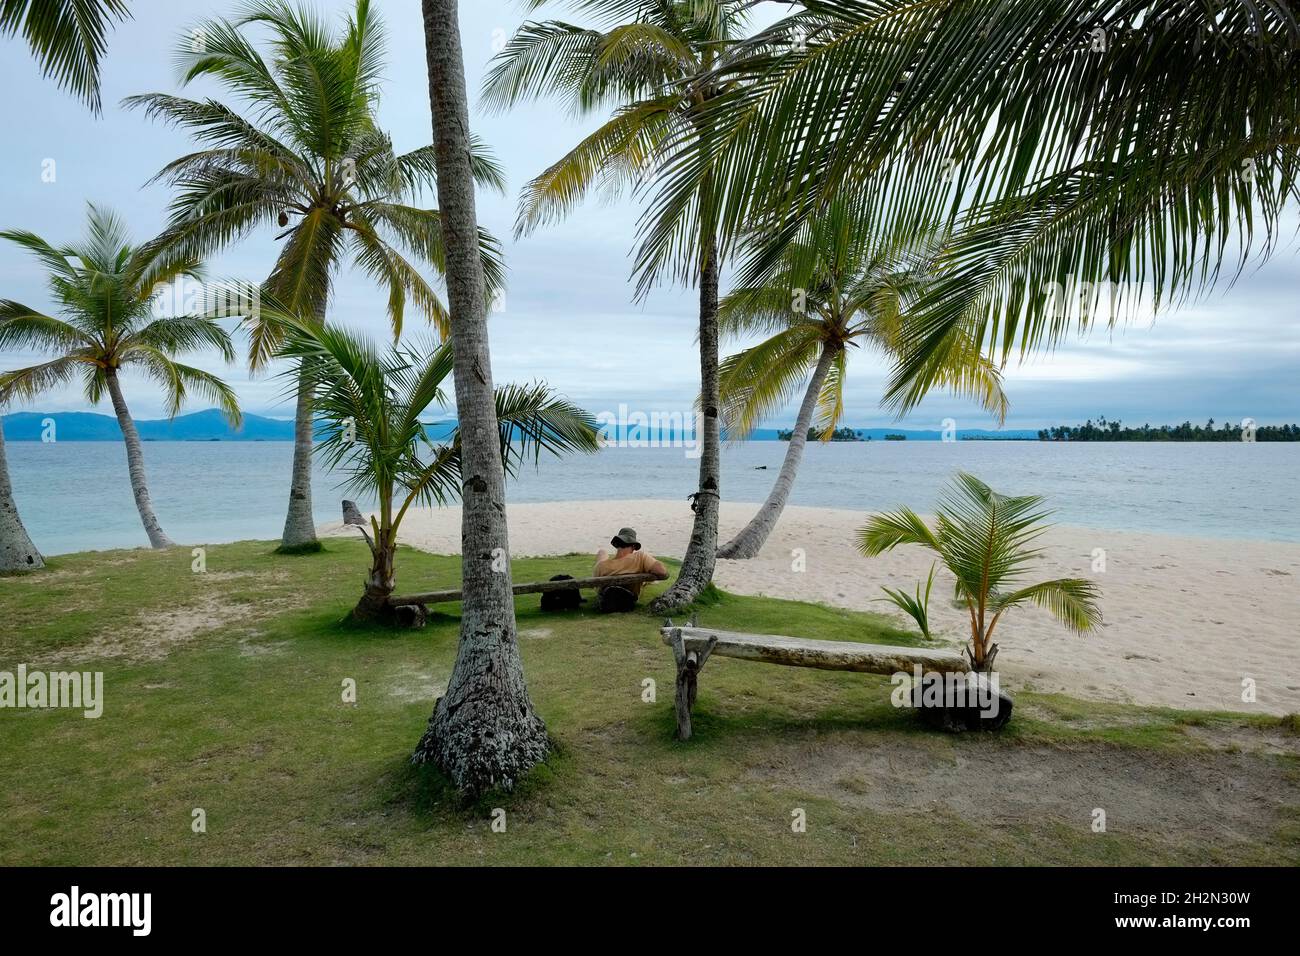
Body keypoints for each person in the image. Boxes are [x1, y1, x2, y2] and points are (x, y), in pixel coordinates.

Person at [593, 527, 669, 611]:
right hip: (629, 599)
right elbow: (662, 572)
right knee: (602, 552)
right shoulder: (640, 557)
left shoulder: (602, 566)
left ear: (617, 545)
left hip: (606, 597)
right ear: (633, 546)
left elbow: (595, 584)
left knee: (602, 552)